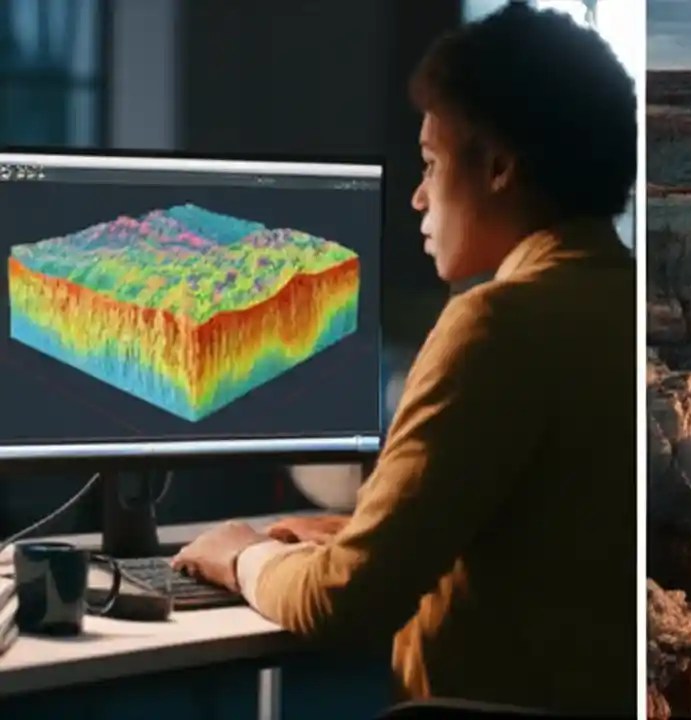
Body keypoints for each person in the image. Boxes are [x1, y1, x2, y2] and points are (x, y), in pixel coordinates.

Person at [171, 4, 637, 715]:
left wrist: (241, 556)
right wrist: (360, 535)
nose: (418, 196)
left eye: (430, 163)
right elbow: (539, 539)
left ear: (500, 167)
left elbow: (346, 602)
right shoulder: (633, 303)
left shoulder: (495, 324)